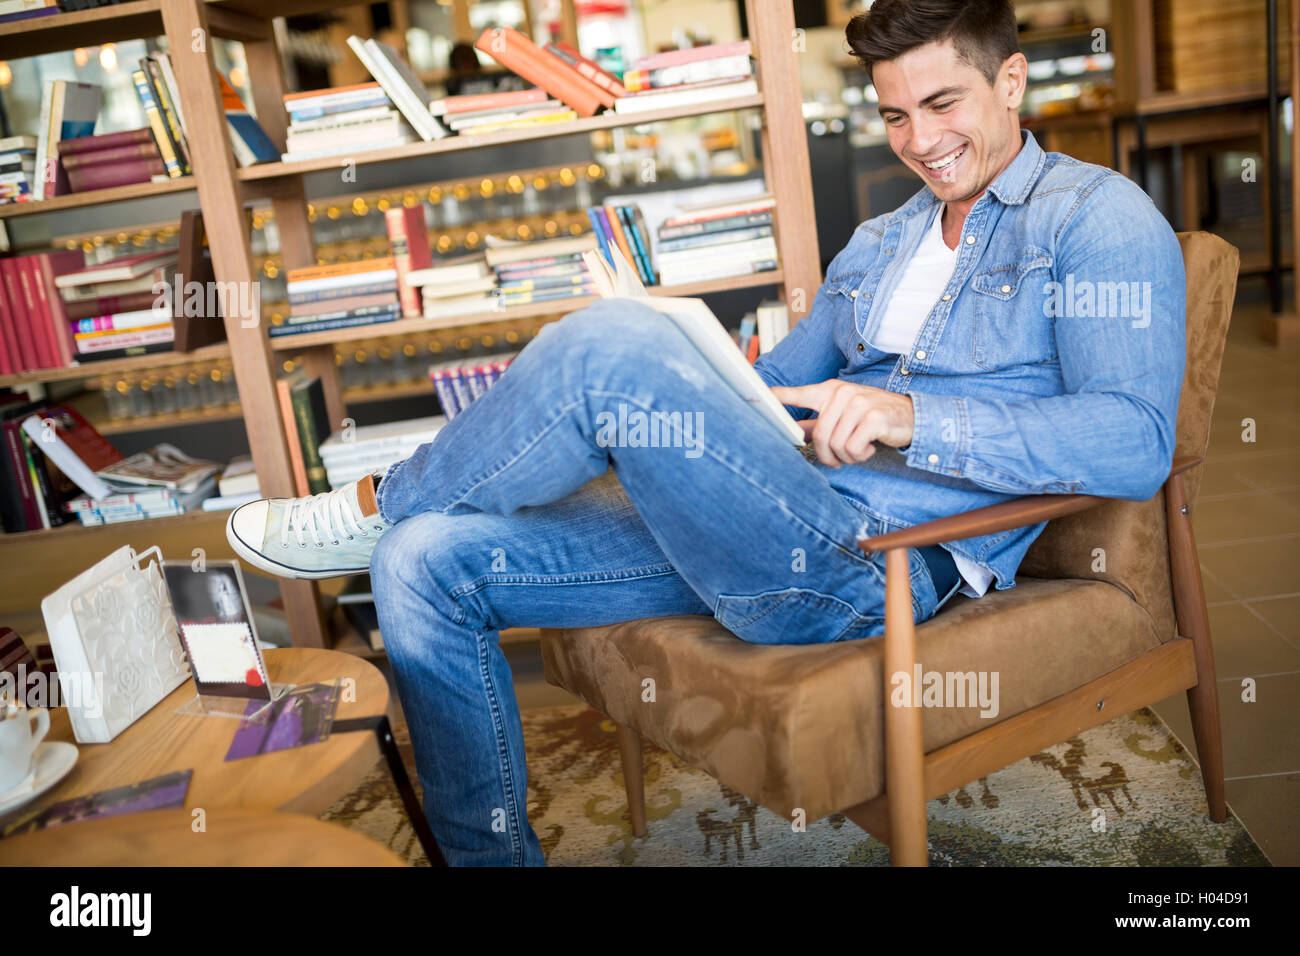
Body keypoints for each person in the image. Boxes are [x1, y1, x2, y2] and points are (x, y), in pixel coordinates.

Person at [226, 0, 1185, 866]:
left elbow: (1132, 439)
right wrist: (699, 386)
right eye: (895, 115)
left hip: (867, 562)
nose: (919, 140)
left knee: (607, 346)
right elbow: (770, 388)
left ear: (1009, 80)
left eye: (944, 105)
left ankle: (374, 499)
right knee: (419, 561)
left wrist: (909, 415)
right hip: (760, 511)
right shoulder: (884, 240)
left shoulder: (1095, 221)